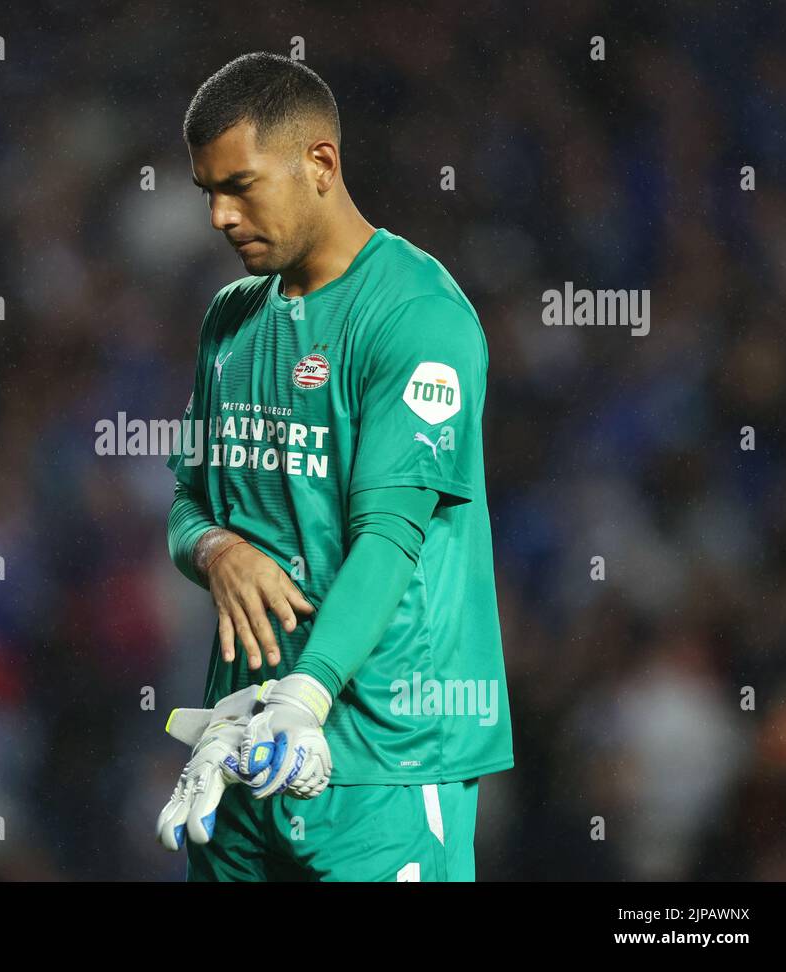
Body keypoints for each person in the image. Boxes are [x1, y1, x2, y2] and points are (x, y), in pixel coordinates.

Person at [157, 52, 513, 882]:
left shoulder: (418, 315)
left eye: (240, 184)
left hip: (381, 753)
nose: (217, 215)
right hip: (244, 744)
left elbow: (389, 535)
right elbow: (186, 501)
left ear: (320, 163)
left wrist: (305, 695)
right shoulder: (230, 320)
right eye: (206, 190)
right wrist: (217, 551)